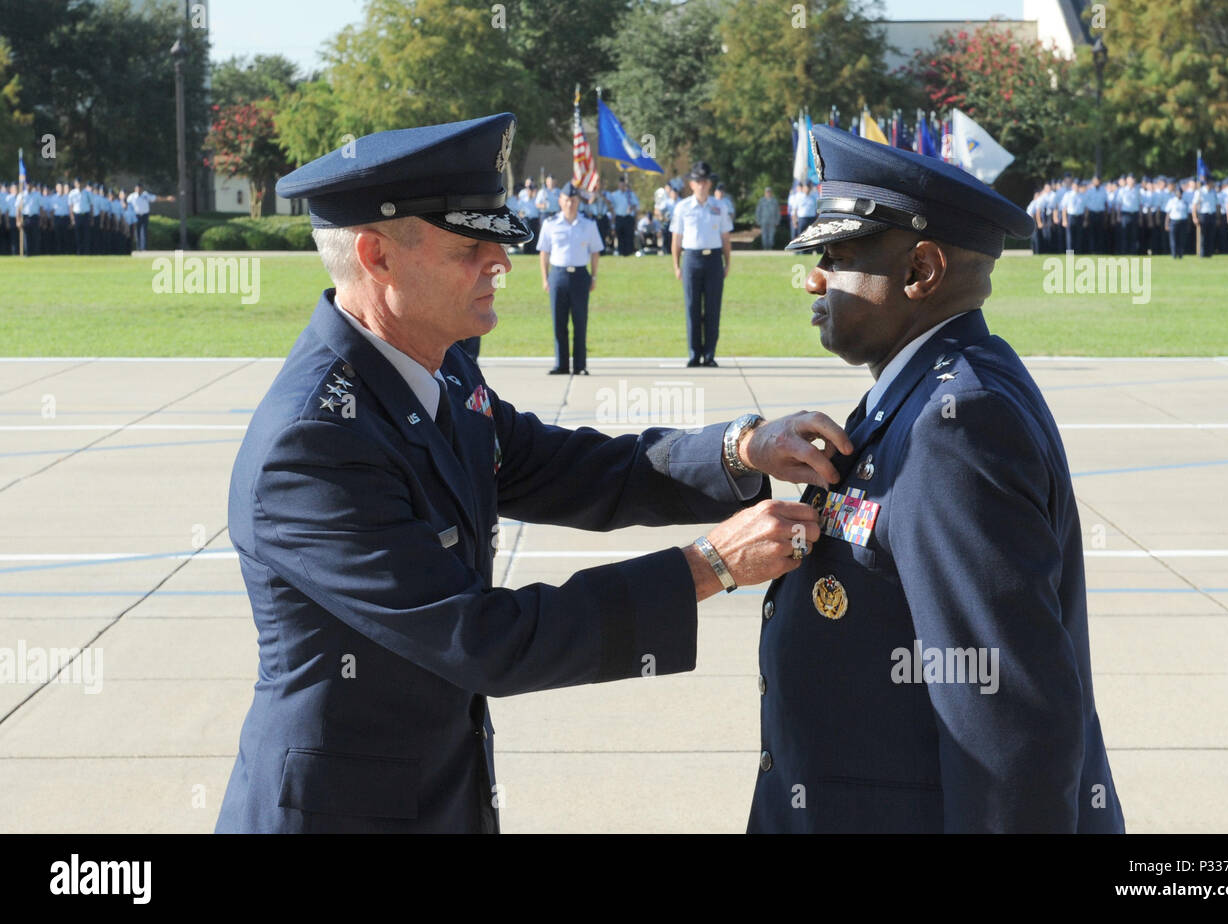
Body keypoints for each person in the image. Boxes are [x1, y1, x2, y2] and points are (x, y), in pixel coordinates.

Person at [215, 112, 854, 834]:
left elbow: (566, 468)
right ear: (377, 255)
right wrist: (709, 567)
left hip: (437, 795)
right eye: (470, 245)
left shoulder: (439, 368)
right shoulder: (316, 443)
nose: (502, 261)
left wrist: (740, 449)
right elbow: (481, 641)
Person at [749, 123, 1125, 833]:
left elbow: (1007, 731)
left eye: (836, 255)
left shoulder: (957, 426)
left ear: (921, 272)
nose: (812, 277)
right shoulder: (927, 386)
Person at [670, 160, 732, 368]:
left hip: (713, 259)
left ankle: (710, 354)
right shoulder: (683, 207)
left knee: (713, 308)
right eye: (699, 181)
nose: (703, 185)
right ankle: (694, 354)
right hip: (691, 259)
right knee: (692, 308)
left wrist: (727, 262)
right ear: (692, 184)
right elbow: (676, 239)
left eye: (705, 181)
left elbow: (725, 237)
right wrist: (676, 265)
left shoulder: (719, 206)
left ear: (710, 184)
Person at [538, 180, 602, 376]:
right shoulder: (550, 224)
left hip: (580, 275)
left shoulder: (588, 225)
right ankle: (561, 364)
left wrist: (594, 276)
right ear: (560, 201)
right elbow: (544, 252)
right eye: (566, 200)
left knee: (580, 322)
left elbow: (595, 252)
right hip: (558, 275)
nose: (570, 204)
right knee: (559, 323)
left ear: (578, 202)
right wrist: (545, 277)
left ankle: (580, 365)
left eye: (573, 200)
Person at [609, 176, 639, 256]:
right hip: (619, 217)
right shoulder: (614, 195)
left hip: (628, 218)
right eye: (621, 185)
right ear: (619, 185)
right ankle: (621, 251)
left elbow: (636, 205)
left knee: (629, 235)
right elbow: (612, 207)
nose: (622, 186)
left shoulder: (630, 194)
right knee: (620, 235)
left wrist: (631, 207)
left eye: (624, 185)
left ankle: (629, 252)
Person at [1191, 175, 1219, 258]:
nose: (1213, 183)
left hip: (1212, 214)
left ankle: (1209, 253)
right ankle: (1202, 253)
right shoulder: (1199, 192)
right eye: (1212, 182)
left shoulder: (1213, 192)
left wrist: (1217, 217)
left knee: (1211, 235)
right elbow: (1194, 205)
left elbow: (1217, 205)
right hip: (1203, 214)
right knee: (1203, 235)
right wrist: (1194, 217)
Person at [127, 183, 157, 251]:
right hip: (136, 216)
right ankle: (138, 247)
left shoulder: (145, 195)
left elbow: (155, 198)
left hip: (144, 215)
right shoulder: (131, 197)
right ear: (135, 189)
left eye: (140, 189)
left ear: (142, 189)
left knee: (144, 231)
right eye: (137, 189)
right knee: (137, 232)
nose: (138, 190)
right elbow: (127, 205)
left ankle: (144, 248)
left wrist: (167, 198)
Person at [1165, 184, 1190, 259]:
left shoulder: (1185, 202)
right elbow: (1168, 214)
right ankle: (1174, 254)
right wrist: (1166, 224)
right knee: (1173, 239)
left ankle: (1180, 254)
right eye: (1178, 192)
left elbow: (1187, 214)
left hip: (1183, 221)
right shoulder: (1171, 201)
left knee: (1181, 239)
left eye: (1180, 193)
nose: (1179, 194)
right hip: (1174, 222)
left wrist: (1188, 224)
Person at [755, 186, 781, 250]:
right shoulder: (761, 201)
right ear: (765, 193)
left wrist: (777, 221)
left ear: (771, 193)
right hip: (763, 220)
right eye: (767, 192)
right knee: (764, 235)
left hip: (772, 221)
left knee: (771, 235)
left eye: (769, 192)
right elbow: (758, 211)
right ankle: (765, 247)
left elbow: (778, 212)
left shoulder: (774, 201)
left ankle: (770, 247)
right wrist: (758, 220)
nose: (768, 193)